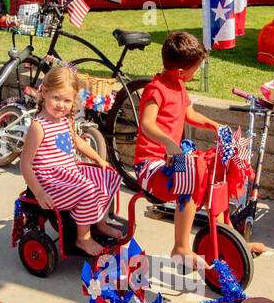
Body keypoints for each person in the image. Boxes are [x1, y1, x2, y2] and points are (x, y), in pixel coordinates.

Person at [133, 30, 221, 272]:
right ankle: (180, 248)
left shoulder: (180, 86)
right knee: (193, 176)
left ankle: (226, 236)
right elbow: (147, 124)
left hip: (170, 161)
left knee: (213, 173)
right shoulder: (156, 89)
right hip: (150, 167)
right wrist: (169, 143)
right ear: (181, 72)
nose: (197, 72)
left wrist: (213, 124)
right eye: (196, 68)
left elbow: (188, 114)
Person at [19, 65, 122, 257]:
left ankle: (99, 224)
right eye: (56, 98)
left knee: (108, 175)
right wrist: (39, 193)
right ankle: (82, 238)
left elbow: (78, 144)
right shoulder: (38, 127)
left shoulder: (64, 121)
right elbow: (25, 165)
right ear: (45, 93)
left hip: (68, 174)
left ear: (74, 101)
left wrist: (98, 159)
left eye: (67, 100)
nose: (61, 105)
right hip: (50, 183)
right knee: (88, 189)